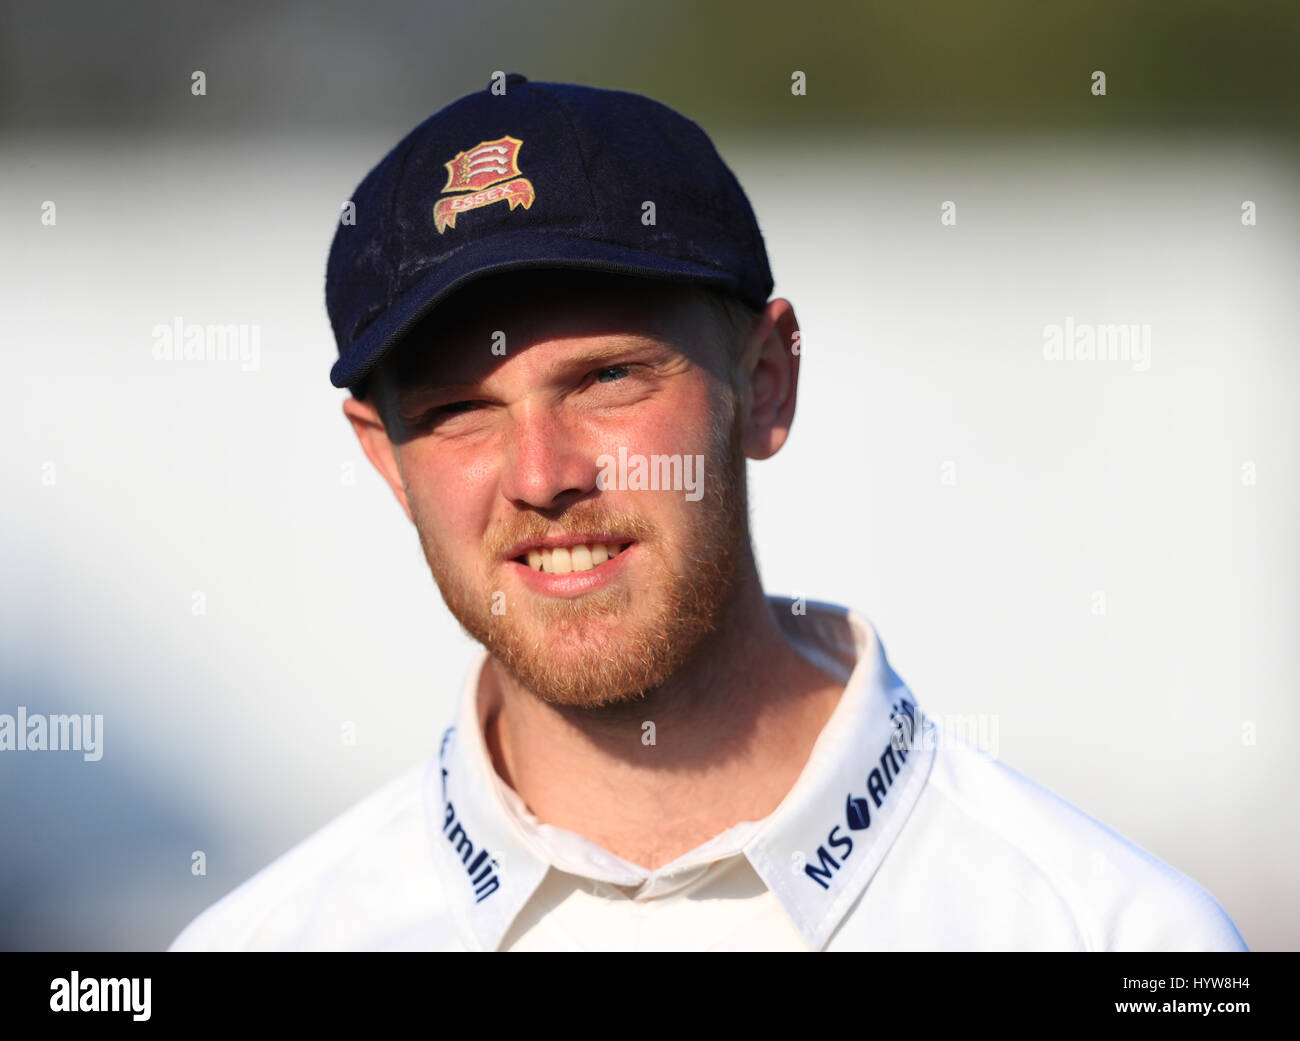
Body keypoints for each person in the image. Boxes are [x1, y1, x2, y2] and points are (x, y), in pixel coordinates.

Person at [168, 74, 1248, 951]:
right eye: (461, 411)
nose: (542, 476)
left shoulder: (1113, 935)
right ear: (385, 459)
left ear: (766, 380)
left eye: (607, 380)